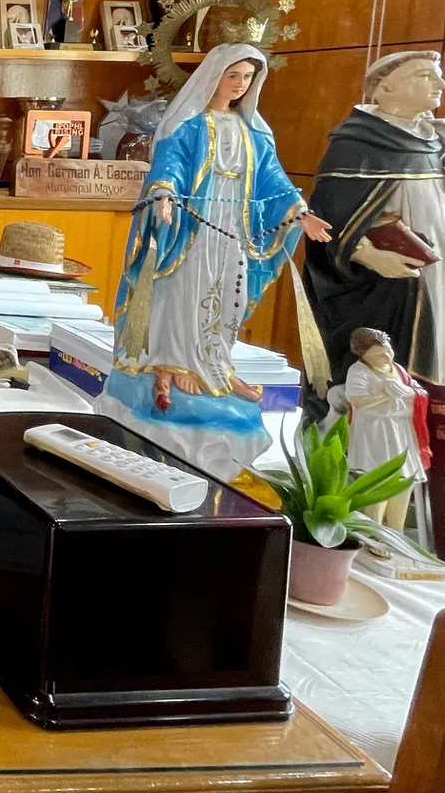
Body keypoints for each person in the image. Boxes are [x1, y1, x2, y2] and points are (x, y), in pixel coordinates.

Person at [110, 43, 332, 474]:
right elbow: (168, 165)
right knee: (183, 292)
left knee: (225, 297)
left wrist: (299, 212)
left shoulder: (253, 131)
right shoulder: (189, 125)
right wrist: (164, 194)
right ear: (214, 76)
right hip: (192, 225)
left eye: (248, 78)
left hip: (232, 226)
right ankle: (171, 365)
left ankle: (215, 365)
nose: (240, 84)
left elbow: (273, 178)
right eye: (234, 75)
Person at [304, 50, 445, 386]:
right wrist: (368, 254)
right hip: (381, 288)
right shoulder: (356, 143)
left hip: (438, 282)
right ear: (385, 89)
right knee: (380, 372)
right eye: (425, 76)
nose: (441, 84)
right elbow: (327, 219)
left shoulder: (436, 140)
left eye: (438, 75)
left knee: (433, 376)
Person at [333, 327, 429, 529]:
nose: (386, 356)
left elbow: (419, 392)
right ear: (363, 354)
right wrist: (386, 396)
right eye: (378, 354)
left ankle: (396, 531)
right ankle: (374, 531)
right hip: (375, 431)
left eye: (388, 350)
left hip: (401, 430)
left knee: (403, 480)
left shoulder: (398, 370)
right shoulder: (359, 371)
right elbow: (358, 401)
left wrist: (406, 392)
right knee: (377, 481)